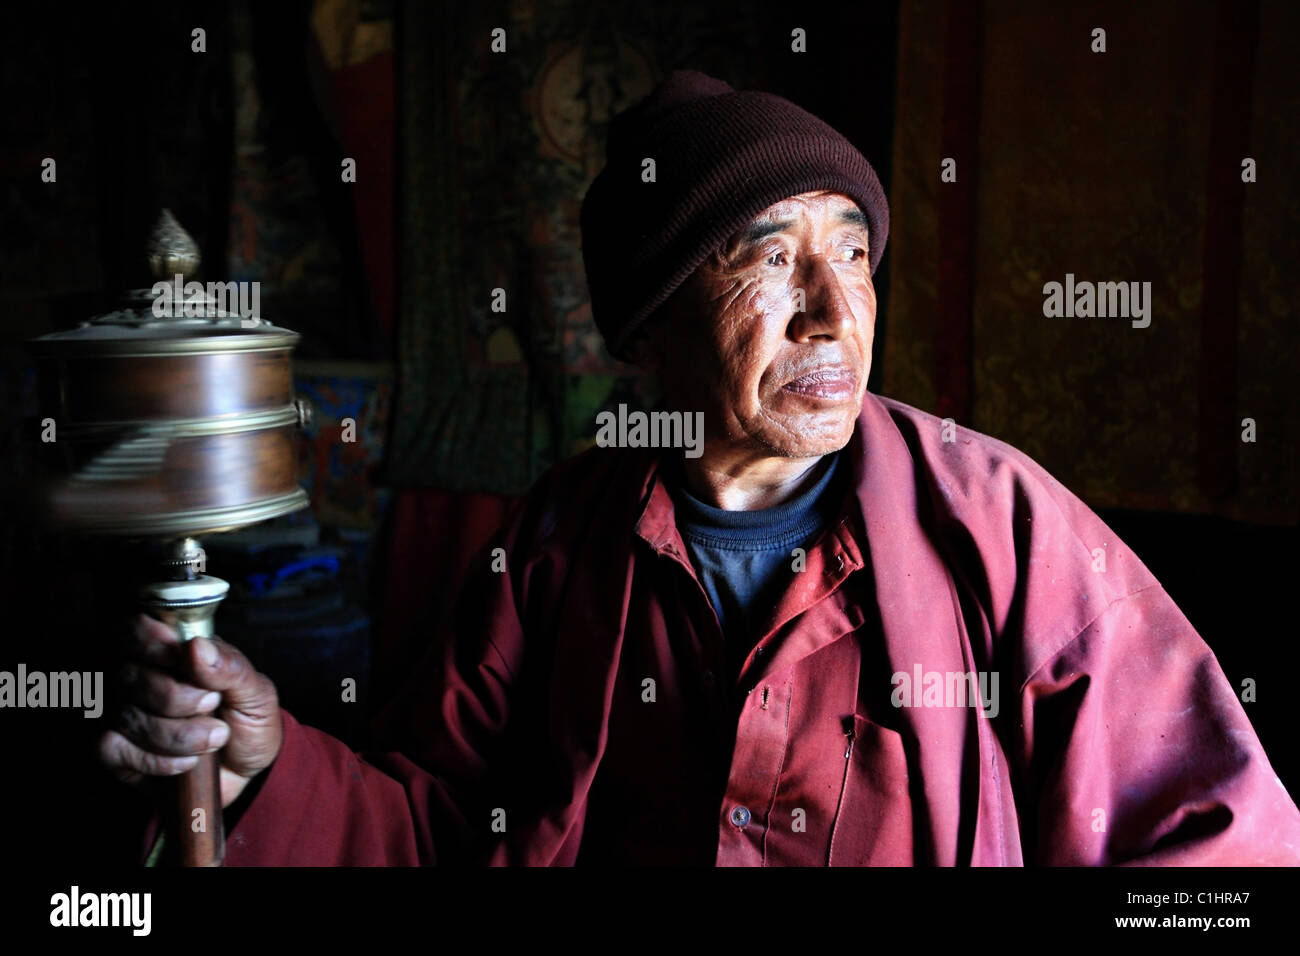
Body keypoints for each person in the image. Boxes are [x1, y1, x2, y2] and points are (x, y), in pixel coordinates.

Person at [100, 70, 1300, 865]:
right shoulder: (562, 540)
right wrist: (266, 763)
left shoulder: (995, 525)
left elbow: (1225, 838)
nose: (834, 314)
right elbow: (444, 832)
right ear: (650, 329)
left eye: (855, 253)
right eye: (768, 257)